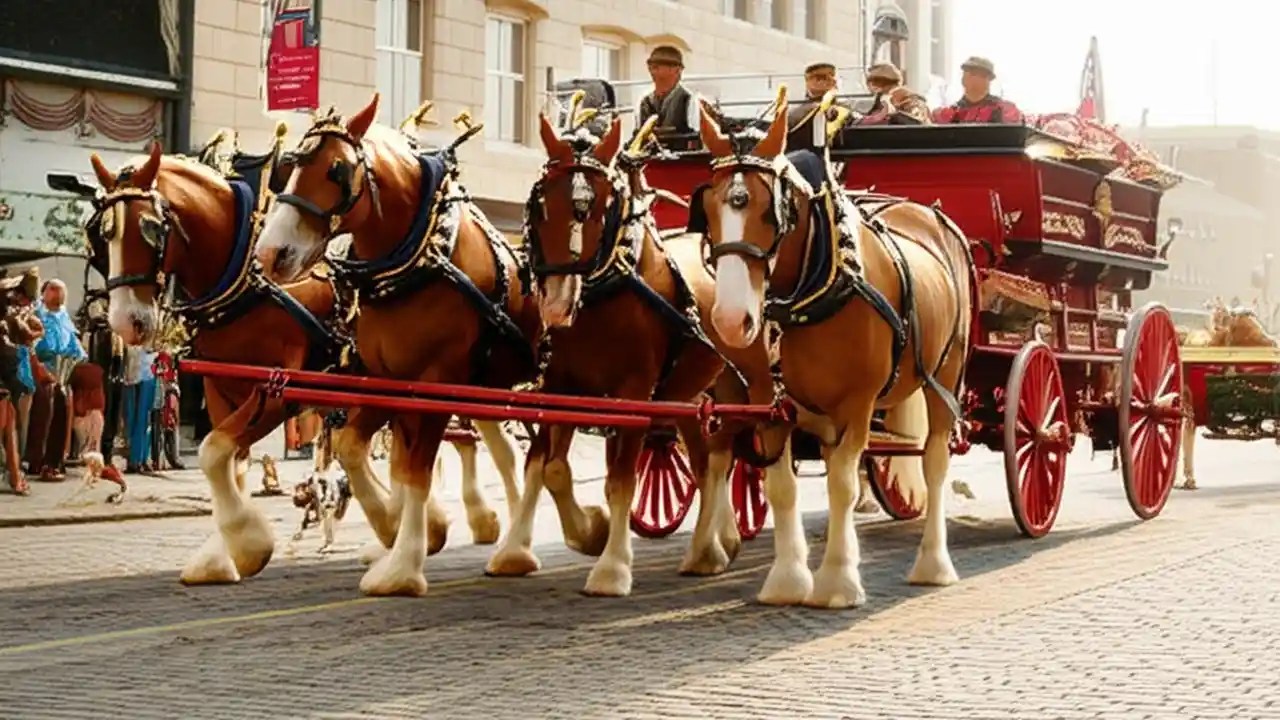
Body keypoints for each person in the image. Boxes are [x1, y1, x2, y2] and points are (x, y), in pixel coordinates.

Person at [26, 279, 86, 481]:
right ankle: (37, 459)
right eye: (53, 289)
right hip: (38, 369)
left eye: (61, 290)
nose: (58, 293)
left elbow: (75, 346)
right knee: (44, 407)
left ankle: (54, 461)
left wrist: (77, 358)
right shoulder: (36, 314)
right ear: (44, 293)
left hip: (61, 372)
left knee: (63, 408)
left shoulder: (64, 317)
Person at [785, 62, 856, 152]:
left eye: (831, 77)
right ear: (808, 82)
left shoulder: (844, 110)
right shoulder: (795, 113)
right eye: (820, 78)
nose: (830, 81)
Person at [931, 56, 1023, 125]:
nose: (968, 77)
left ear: (988, 80)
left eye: (975, 74)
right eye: (966, 73)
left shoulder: (1005, 110)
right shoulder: (951, 113)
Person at [636, 46, 694, 136]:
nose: (652, 72)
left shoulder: (689, 100)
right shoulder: (646, 102)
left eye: (656, 68)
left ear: (675, 70)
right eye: (651, 68)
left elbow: (695, 136)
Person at [120, 343, 157, 474]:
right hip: (132, 378)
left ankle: (138, 459)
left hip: (144, 378)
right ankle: (136, 459)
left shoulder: (149, 342)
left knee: (141, 419)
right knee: (132, 419)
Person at [855, 63, 931, 126]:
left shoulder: (912, 99)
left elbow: (917, 123)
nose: (870, 84)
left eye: (875, 80)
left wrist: (892, 115)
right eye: (868, 81)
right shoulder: (881, 97)